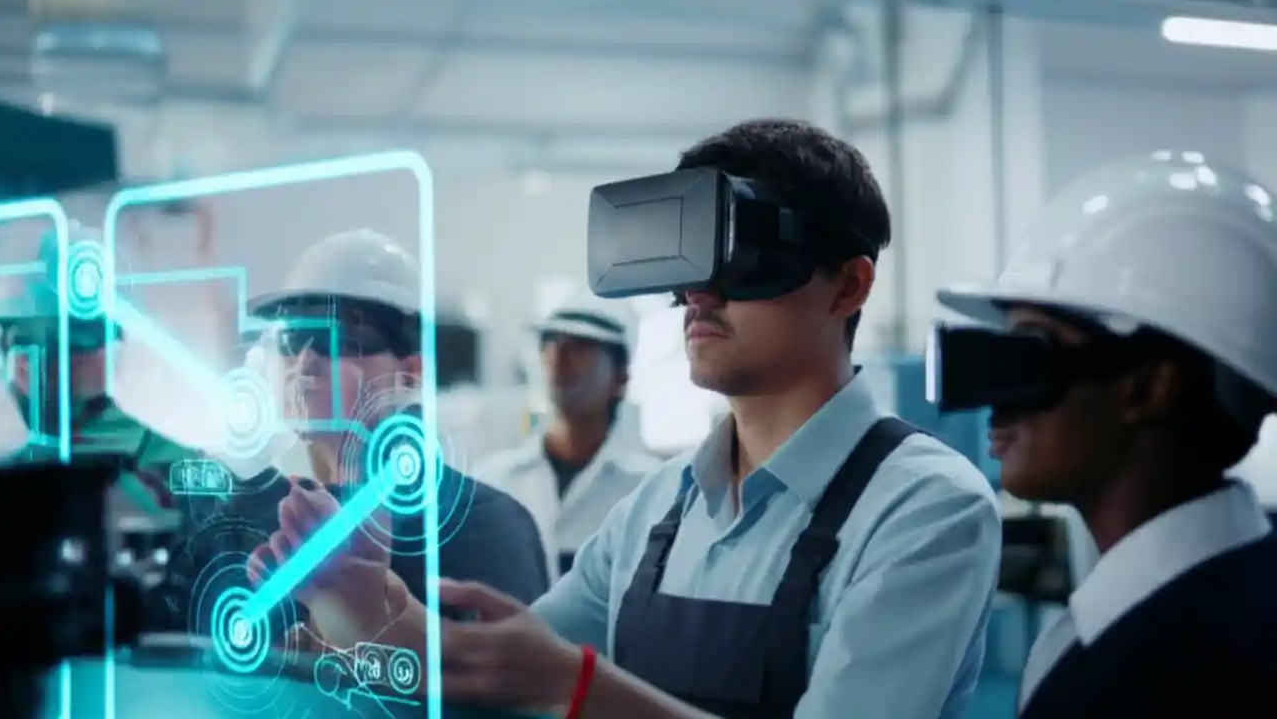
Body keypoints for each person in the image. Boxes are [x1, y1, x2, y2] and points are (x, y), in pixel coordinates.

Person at [272, 120, 1003, 718]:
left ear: (848, 285)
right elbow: (486, 666)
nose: (697, 295)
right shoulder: (657, 511)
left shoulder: (926, 509)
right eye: (689, 263)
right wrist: (372, 608)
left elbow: (547, 676)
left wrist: (576, 687)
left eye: (741, 256)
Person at [930, 153, 1277, 718]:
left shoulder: (1198, 670)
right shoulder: (1181, 612)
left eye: (1030, 354)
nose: (994, 401)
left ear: (1148, 389)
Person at [184, 228, 549, 650]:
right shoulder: (248, 520)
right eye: (292, 338)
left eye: (338, 340)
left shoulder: (481, 526)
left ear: (410, 372)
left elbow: (512, 695)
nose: (305, 361)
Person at [0, 223, 194, 519]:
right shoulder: (20, 463)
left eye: (27, 341)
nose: (19, 364)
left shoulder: (174, 464)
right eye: (8, 338)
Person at [474, 292, 662, 581]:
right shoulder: (493, 481)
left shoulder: (650, 490)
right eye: (550, 343)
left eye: (581, 346)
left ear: (621, 376)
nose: (558, 357)